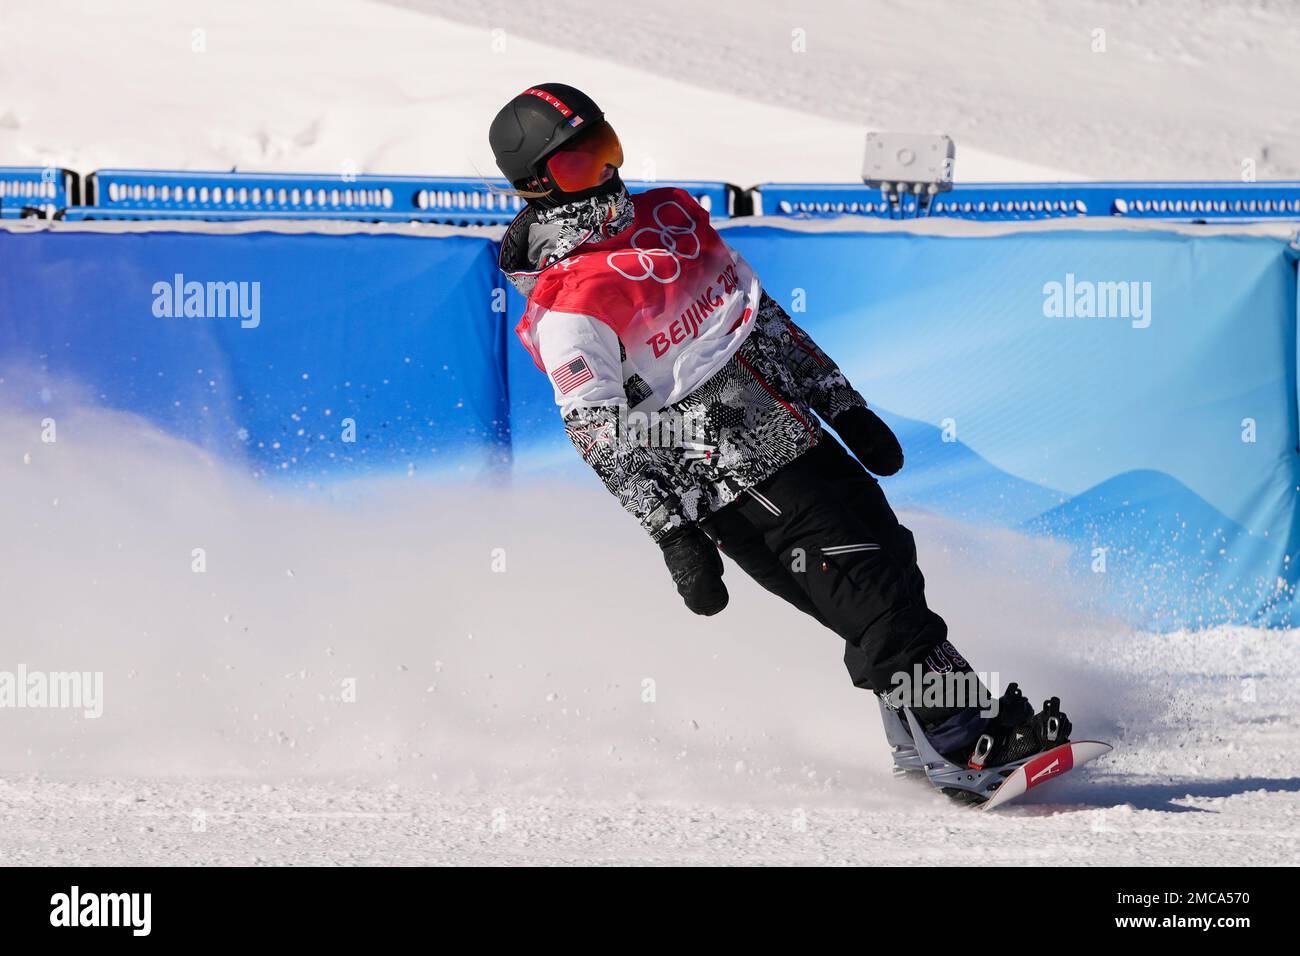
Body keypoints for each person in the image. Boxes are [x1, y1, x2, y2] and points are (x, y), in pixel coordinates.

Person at [489, 82, 1070, 773]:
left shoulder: (670, 217)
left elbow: (756, 320)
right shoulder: (568, 309)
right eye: (579, 167)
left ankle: (920, 736)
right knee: (871, 594)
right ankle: (962, 736)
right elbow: (599, 433)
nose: (608, 174)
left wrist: (840, 403)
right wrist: (673, 532)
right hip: (732, 481)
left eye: (606, 150)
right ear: (535, 188)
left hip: (798, 435)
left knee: (889, 570)